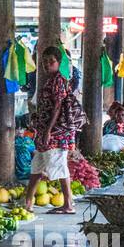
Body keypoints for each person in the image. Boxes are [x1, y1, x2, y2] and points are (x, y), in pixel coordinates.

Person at [23, 45, 85, 215]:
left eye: (51, 61)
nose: (47, 64)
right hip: (45, 131)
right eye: (44, 61)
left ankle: (68, 204)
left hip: (56, 133)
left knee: (59, 165)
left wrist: (49, 130)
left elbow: (57, 107)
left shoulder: (58, 80)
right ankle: (28, 202)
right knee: (37, 165)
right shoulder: (50, 80)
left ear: (58, 63)